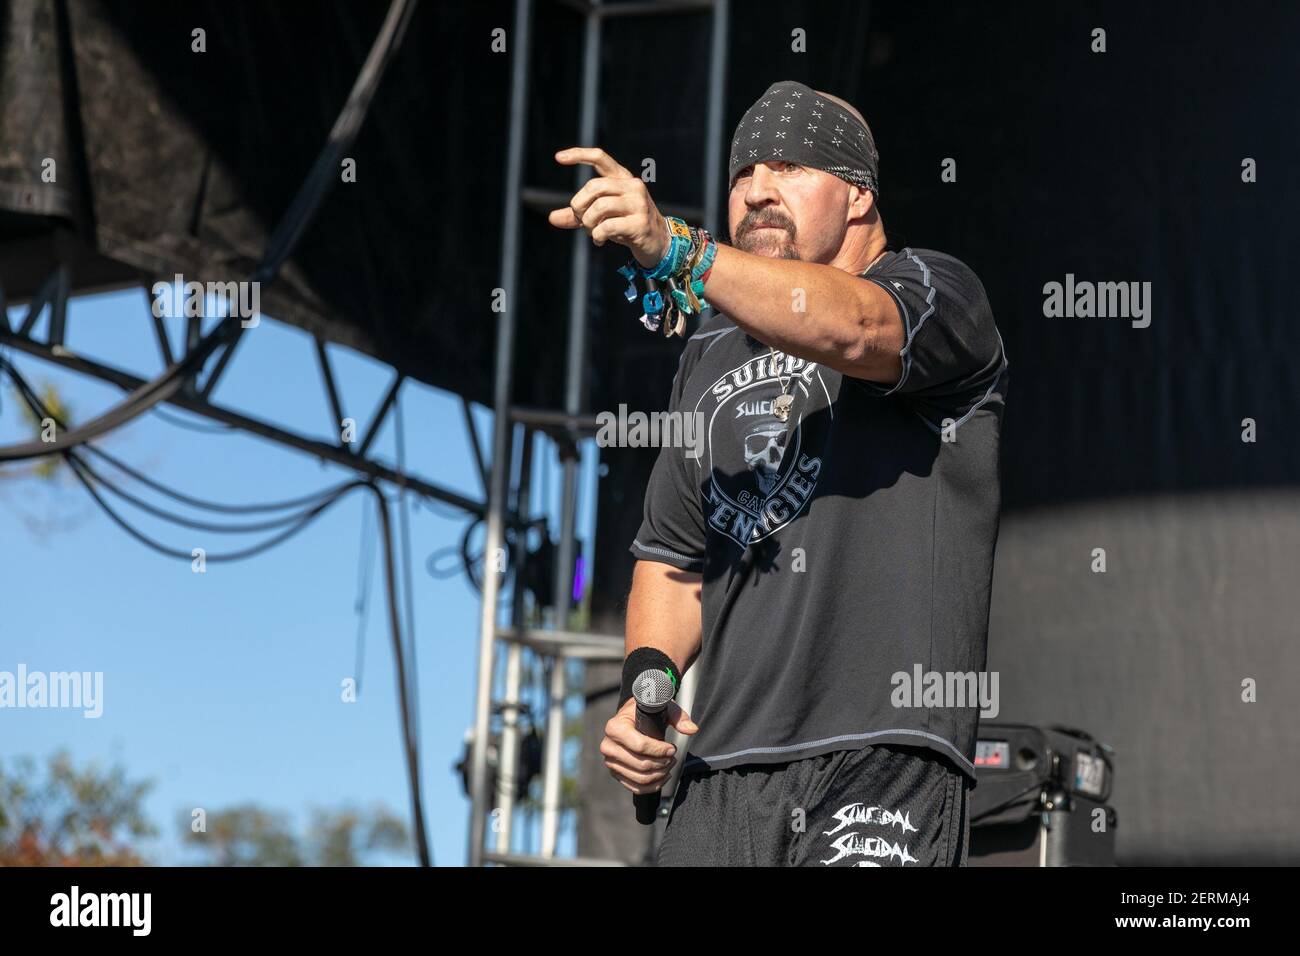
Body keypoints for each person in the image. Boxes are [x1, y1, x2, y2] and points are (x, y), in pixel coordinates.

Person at [549, 80, 1008, 866]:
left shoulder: (936, 293)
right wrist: (644, 691)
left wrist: (681, 251)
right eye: (741, 174)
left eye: (791, 167)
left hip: (882, 756)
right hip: (720, 779)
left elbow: (857, 328)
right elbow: (672, 558)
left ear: (859, 196)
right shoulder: (709, 355)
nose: (756, 191)